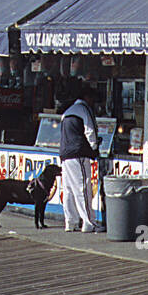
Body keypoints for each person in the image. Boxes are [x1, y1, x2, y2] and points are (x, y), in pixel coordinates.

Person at [59, 82, 100, 233]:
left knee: (69, 189)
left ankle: (70, 222)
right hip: (78, 154)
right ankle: (89, 223)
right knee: (83, 187)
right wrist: (94, 149)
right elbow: (91, 131)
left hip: (65, 154)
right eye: (92, 99)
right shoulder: (84, 109)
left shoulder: (67, 111)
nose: (93, 102)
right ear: (87, 97)